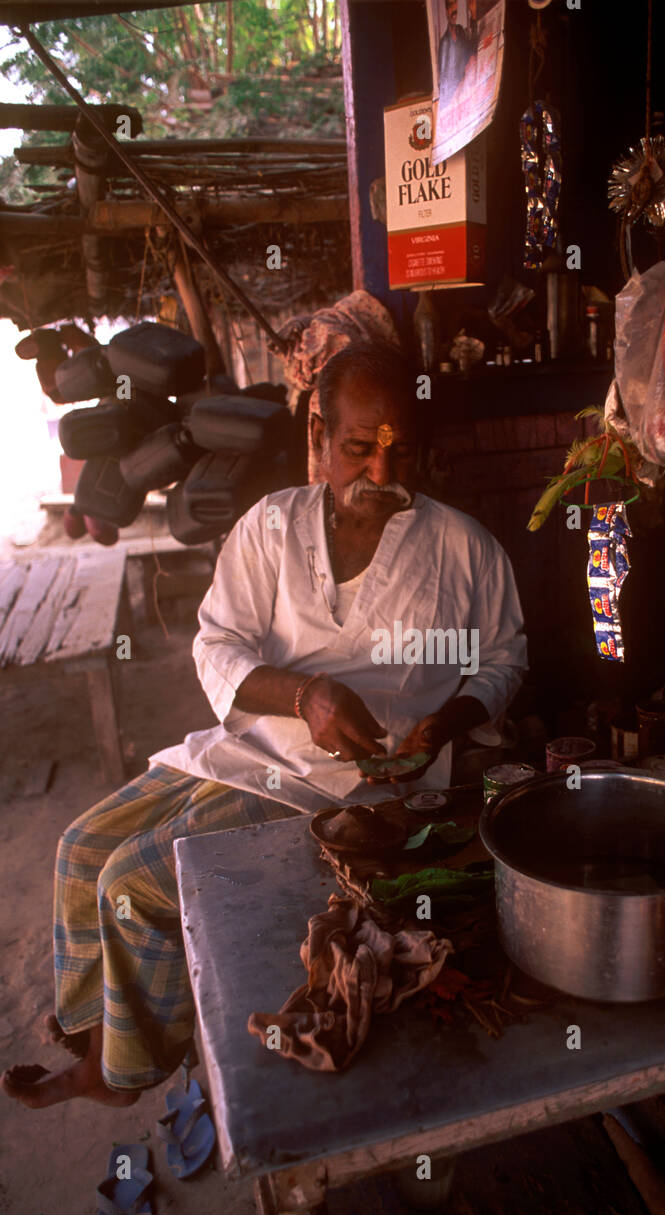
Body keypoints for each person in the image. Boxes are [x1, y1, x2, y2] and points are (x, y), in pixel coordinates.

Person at [2, 342, 528, 1110]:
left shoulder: (463, 548)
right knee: (80, 850)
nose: (380, 477)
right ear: (318, 435)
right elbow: (215, 642)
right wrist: (302, 694)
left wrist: (446, 721)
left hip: (339, 788)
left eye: (399, 454)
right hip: (243, 748)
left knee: (131, 885)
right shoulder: (271, 527)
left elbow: (505, 661)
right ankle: (95, 1033)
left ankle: (124, 1073)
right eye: (356, 451)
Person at [437, 0, 477, 102]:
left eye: (456, 4)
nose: (454, 9)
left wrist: (473, 15)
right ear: (446, 11)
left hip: (470, 92)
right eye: (451, 5)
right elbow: (445, 84)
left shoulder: (460, 31)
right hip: (457, 100)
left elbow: (473, 51)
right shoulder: (444, 44)